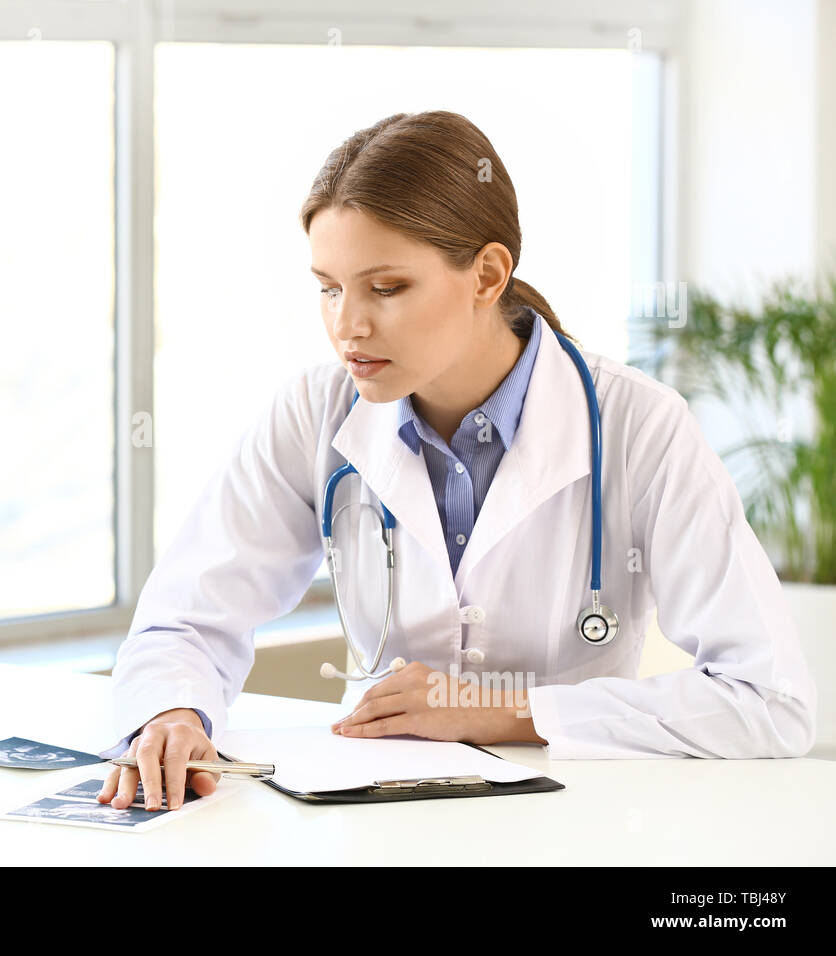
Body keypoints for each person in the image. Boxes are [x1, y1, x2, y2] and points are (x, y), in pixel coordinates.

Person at [95, 110, 818, 813]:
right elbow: (185, 619)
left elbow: (768, 701)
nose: (347, 325)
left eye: (387, 288)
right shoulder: (314, 414)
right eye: (328, 287)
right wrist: (172, 711)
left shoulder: (639, 426)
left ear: (487, 274)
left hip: (576, 821)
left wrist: (506, 710)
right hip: (369, 816)